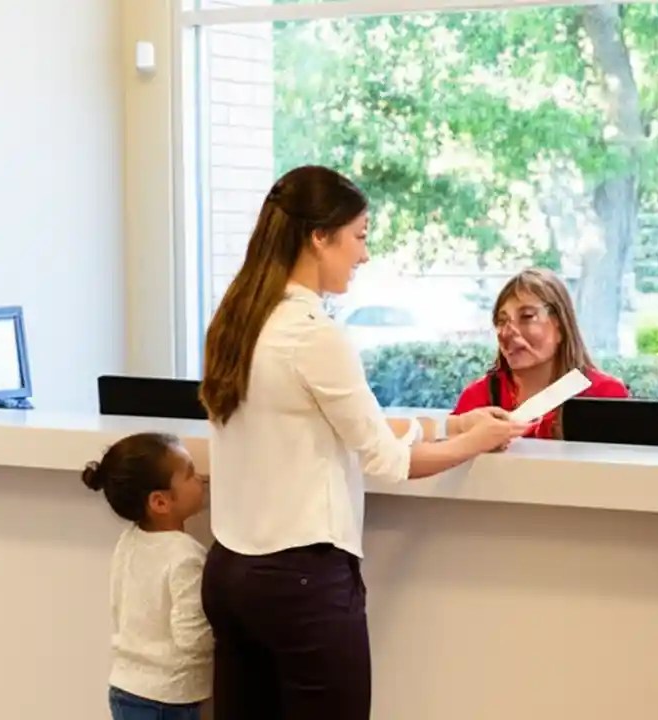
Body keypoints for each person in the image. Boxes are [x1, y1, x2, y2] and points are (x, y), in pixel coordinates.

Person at [199, 165, 529, 720]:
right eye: (360, 236)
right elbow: (388, 459)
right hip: (301, 585)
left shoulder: (237, 322)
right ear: (318, 237)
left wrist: (454, 426)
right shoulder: (313, 334)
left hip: (231, 574)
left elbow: (348, 427)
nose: (364, 254)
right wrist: (480, 442)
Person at [81, 432, 213, 720]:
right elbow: (193, 639)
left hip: (125, 686)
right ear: (160, 502)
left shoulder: (129, 541)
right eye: (190, 474)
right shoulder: (186, 556)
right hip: (168, 698)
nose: (201, 478)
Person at [452, 267, 629, 439]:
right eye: (501, 321)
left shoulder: (605, 395)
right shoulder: (478, 398)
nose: (507, 332)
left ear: (560, 326)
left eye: (527, 317)